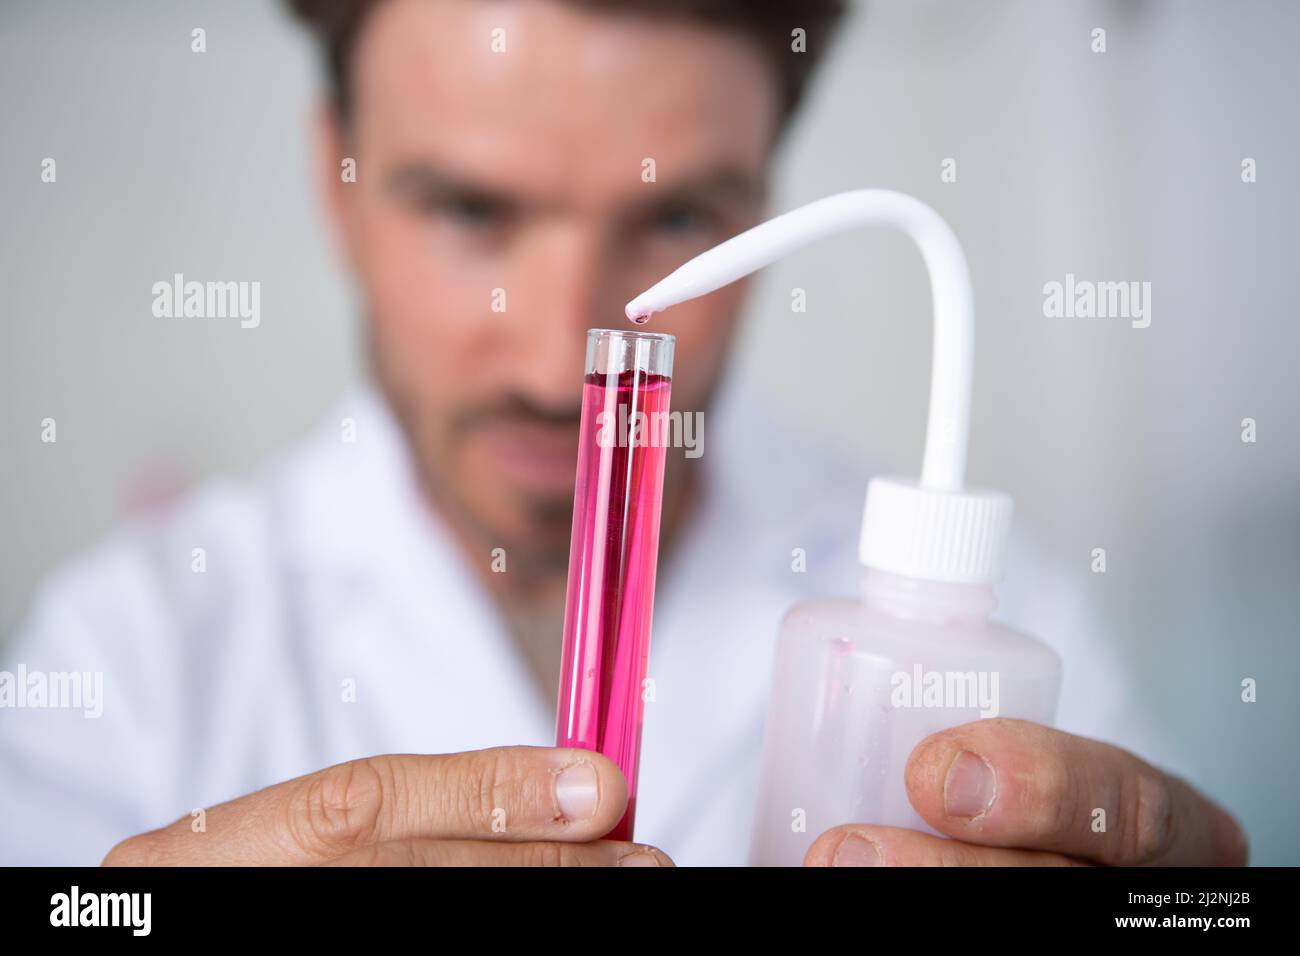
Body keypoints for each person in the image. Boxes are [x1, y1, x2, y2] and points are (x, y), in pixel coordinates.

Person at [0, 0, 1246, 867]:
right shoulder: (124, 653)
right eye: (473, 210)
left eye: (673, 222)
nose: (563, 362)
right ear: (339, 181)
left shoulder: (991, 621)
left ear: (766, 202)